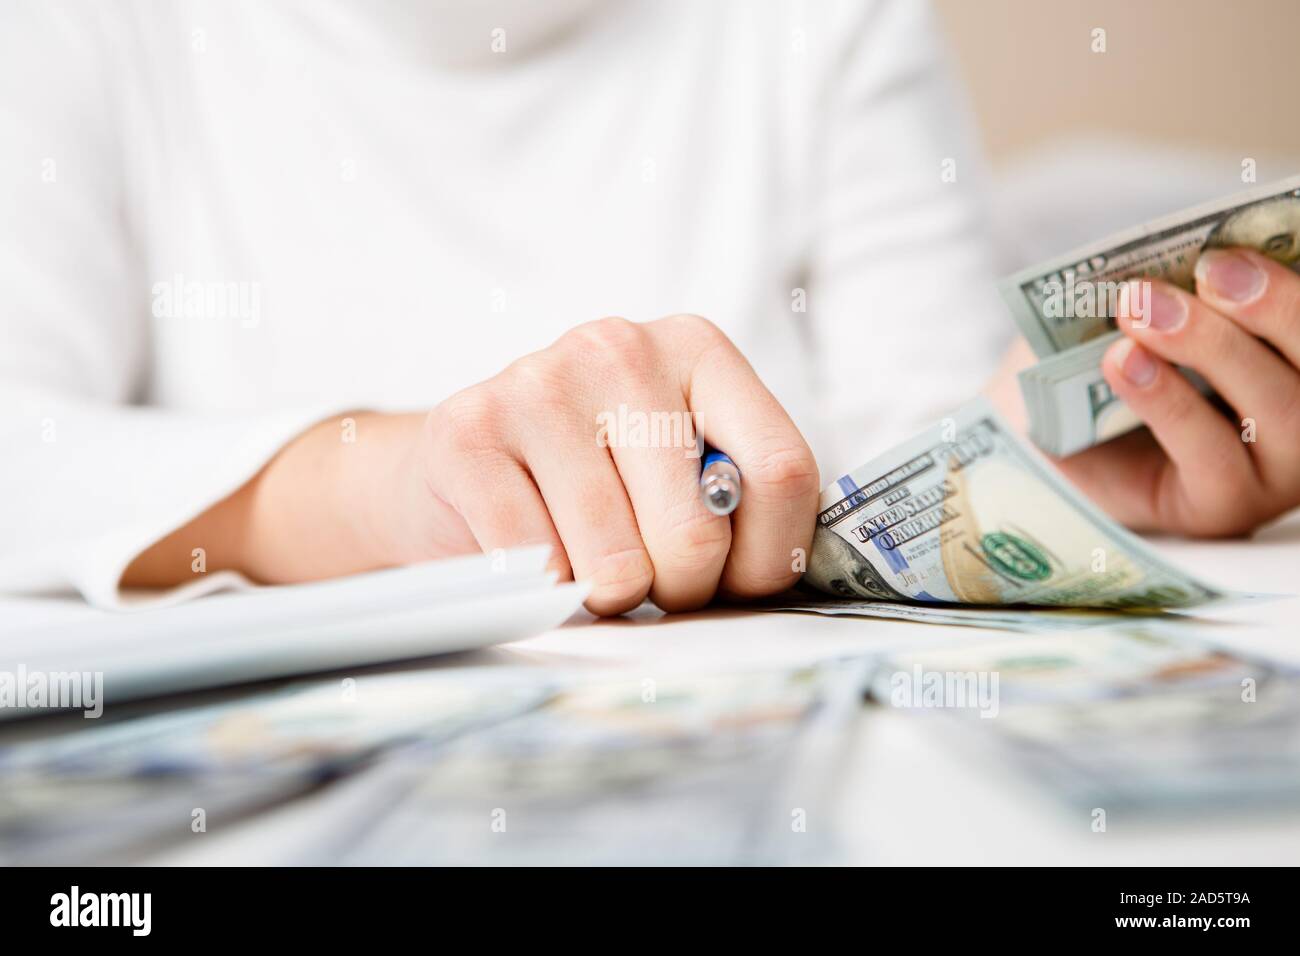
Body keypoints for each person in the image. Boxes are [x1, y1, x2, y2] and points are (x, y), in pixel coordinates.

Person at [3, 0, 1297, 617]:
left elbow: (921, 436)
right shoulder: (86, 34)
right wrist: (404, 488)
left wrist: (1066, 470)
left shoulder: (829, 28)